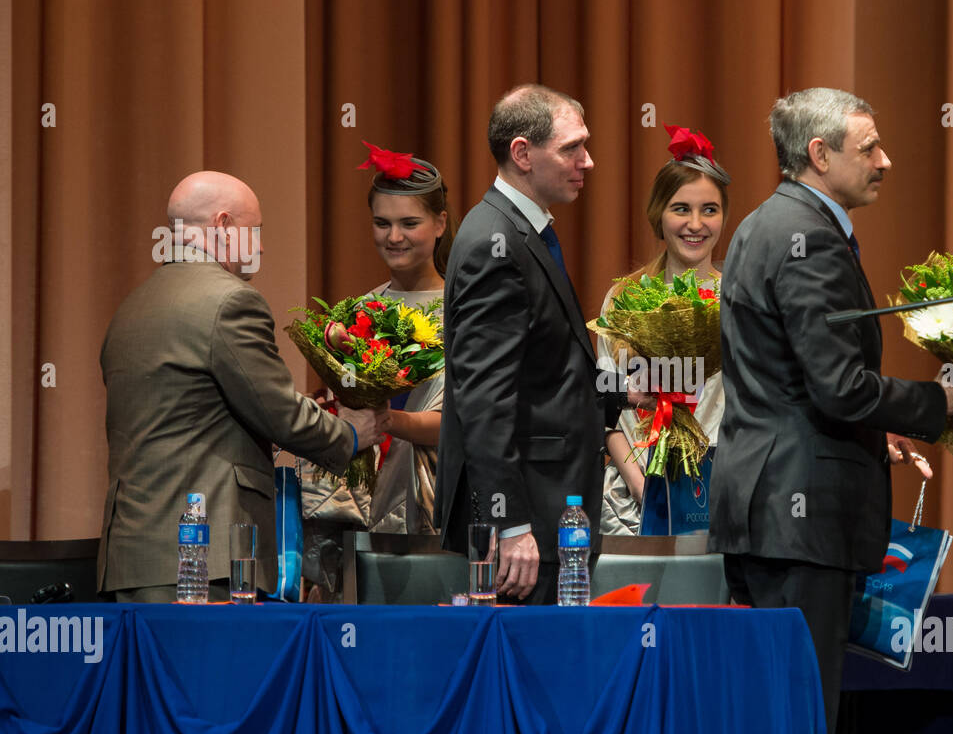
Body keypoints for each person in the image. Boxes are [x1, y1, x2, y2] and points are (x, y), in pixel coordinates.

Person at [708, 88, 953, 734]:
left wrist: (872, 429)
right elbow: (838, 387)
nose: (885, 161)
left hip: (767, 507)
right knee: (799, 722)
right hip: (799, 516)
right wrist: (940, 403)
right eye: (869, 148)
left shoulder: (764, 222)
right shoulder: (809, 237)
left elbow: (794, 382)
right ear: (820, 154)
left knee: (772, 718)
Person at [98, 171, 389, 602]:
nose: (262, 246)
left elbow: (194, 413)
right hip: (205, 557)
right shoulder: (229, 301)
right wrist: (349, 433)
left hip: (130, 558)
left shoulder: (131, 308)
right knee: (210, 671)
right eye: (255, 231)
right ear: (222, 225)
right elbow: (278, 413)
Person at [435, 84, 626, 604]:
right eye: (572, 148)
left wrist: (625, 392)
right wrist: (511, 521)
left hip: (546, 511)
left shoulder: (520, 230)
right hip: (526, 522)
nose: (588, 160)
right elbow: (484, 397)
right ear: (522, 153)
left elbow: (546, 369)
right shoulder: (495, 243)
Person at [300, 144, 457, 598]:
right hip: (360, 510)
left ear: (441, 224)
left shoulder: (462, 314)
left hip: (432, 505)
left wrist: (387, 422)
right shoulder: (359, 312)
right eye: (382, 223)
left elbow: (463, 427)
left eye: (410, 223)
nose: (394, 237)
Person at [599, 125, 729, 535]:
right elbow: (606, 404)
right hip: (631, 499)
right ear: (658, 214)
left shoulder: (738, 300)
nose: (696, 224)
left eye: (710, 209)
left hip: (716, 494)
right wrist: (645, 487)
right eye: (681, 209)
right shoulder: (624, 297)